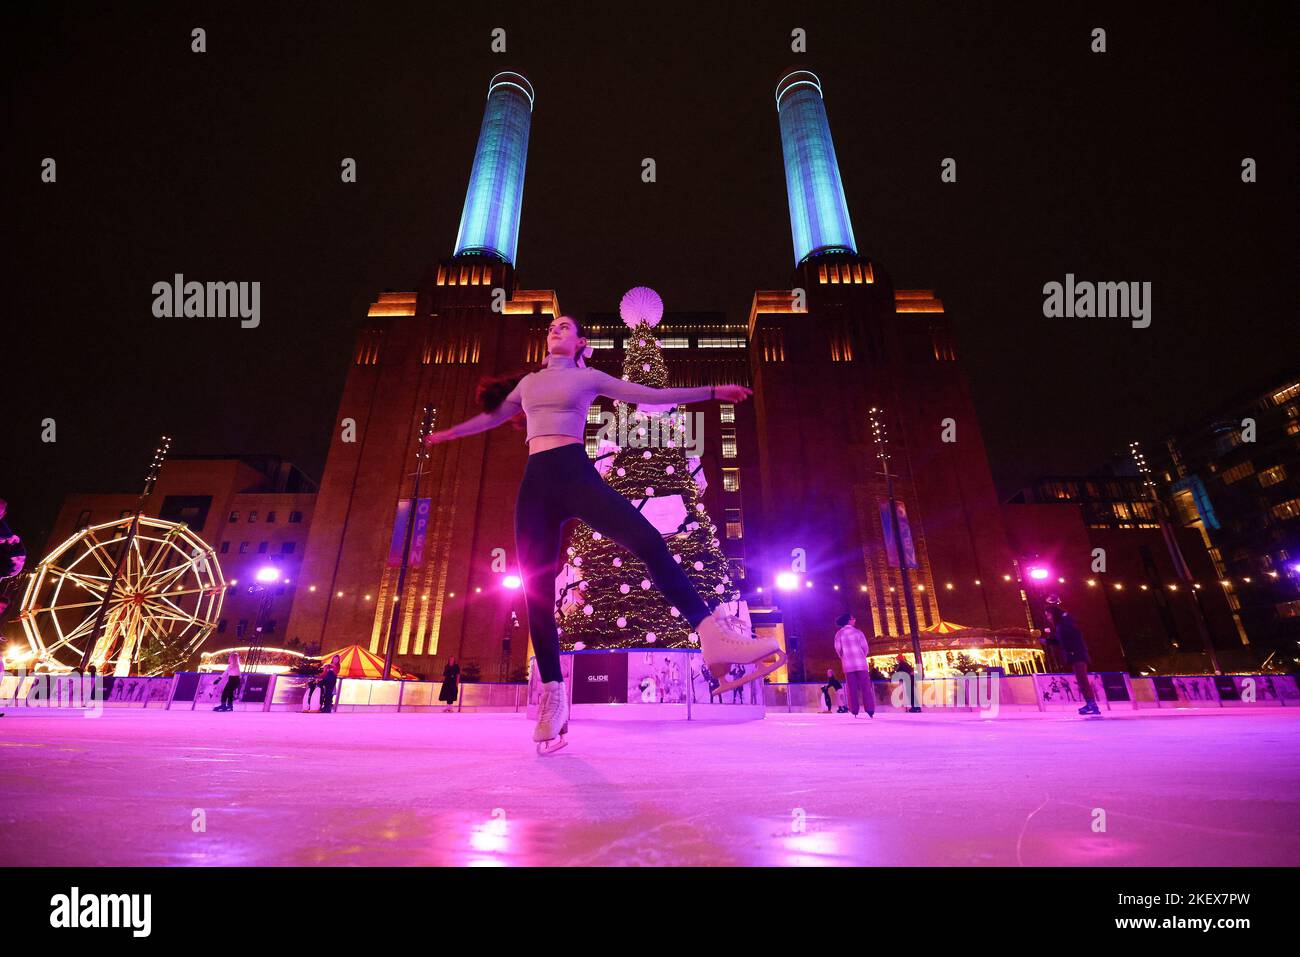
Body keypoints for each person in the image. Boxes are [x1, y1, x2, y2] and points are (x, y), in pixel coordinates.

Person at [425, 314, 784, 754]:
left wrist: (712, 392)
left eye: (565, 327)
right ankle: (554, 697)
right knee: (535, 592)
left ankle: (712, 637)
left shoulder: (590, 377)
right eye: (552, 326)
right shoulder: (530, 384)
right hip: (536, 485)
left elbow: (652, 395)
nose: (555, 329)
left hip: (577, 475)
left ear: (581, 342)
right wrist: (448, 434)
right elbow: (492, 418)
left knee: (649, 541)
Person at [1044, 595, 1101, 716]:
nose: (1048, 618)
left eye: (1048, 615)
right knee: (1081, 680)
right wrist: (1047, 641)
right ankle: (1090, 703)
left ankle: (1092, 704)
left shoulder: (1064, 622)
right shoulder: (1061, 625)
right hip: (1074, 653)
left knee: (1082, 680)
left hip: (1077, 653)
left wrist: (1071, 650)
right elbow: (1061, 640)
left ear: (1053, 613)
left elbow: (1070, 636)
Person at [833, 612, 874, 718]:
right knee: (866, 687)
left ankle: (854, 710)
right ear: (849, 620)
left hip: (848, 665)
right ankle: (870, 709)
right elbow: (865, 647)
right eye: (853, 618)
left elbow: (838, 649)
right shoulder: (858, 632)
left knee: (851, 688)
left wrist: (844, 657)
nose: (854, 620)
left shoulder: (839, 634)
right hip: (861, 664)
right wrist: (861, 656)